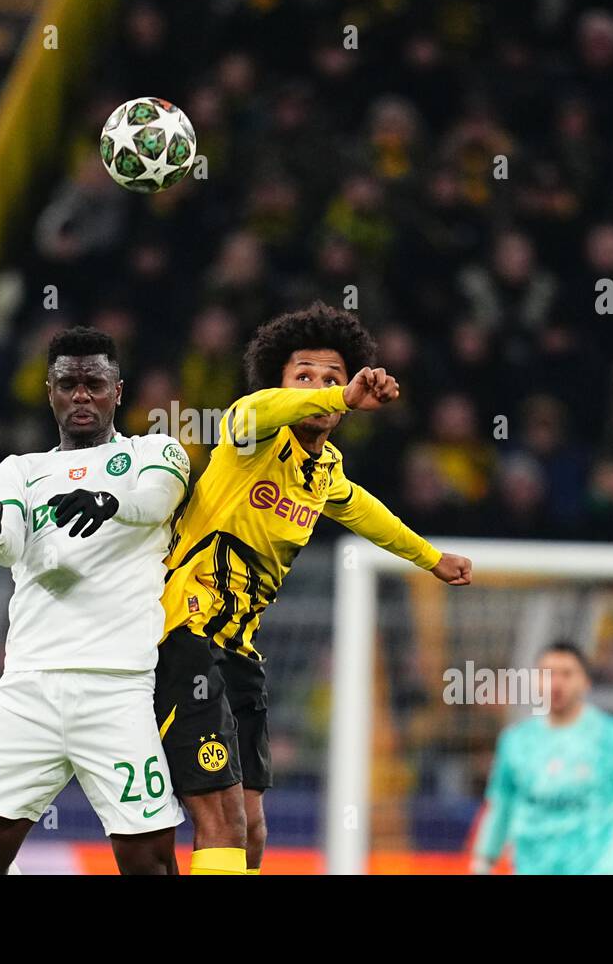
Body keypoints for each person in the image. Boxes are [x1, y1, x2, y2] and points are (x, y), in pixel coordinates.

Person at [153, 302, 472, 874]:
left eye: (332, 377)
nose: (320, 387)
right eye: (305, 375)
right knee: (219, 818)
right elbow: (259, 410)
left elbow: (367, 512)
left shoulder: (323, 470)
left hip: (237, 651)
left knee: (251, 830)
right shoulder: (248, 436)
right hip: (183, 634)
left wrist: (432, 559)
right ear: (279, 381)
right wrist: (340, 396)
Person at [0, 327, 188, 875]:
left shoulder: (155, 452)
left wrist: (109, 501)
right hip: (28, 687)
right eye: (68, 383)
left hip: (117, 686)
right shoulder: (18, 470)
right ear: (50, 391)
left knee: (149, 863)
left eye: (94, 383)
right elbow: (8, 545)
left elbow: (155, 503)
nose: (81, 395)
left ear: (118, 391)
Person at [471, 642, 613, 874]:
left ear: (586, 682)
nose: (556, 683)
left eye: (567, 674)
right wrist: (483, 862)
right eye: (547, 674)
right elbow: (501, 806)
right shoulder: (516, 742)